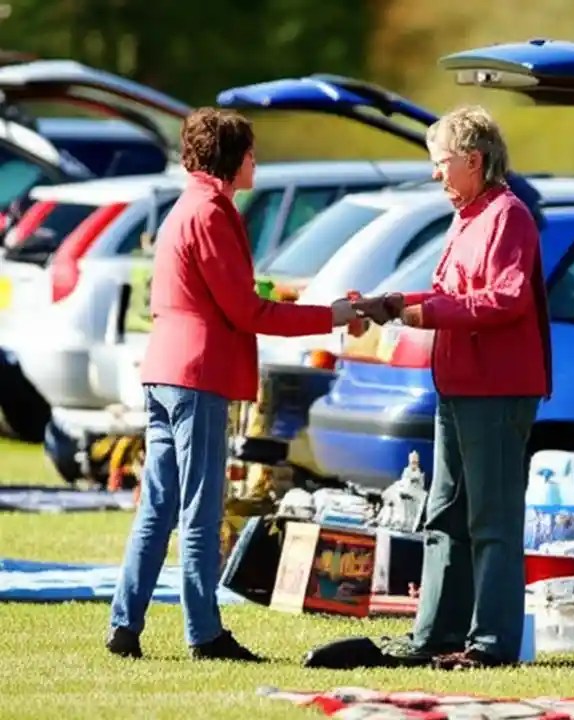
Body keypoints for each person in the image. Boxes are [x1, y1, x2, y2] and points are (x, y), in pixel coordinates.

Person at [105, 108, 360, 662]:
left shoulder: (184, 207)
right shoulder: (214, 211)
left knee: (159, 507)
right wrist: (333, 315)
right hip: (197, 376)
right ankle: (204, 633)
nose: (256, 161)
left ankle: (125, 625)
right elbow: (246, 311)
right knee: (200, 509)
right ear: (232, 158)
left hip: (164, 370)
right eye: (251, 153)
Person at [354, 105, 552, 670]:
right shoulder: (467, 216)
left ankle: (491, 644)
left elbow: (504, 298)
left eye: (441, 163)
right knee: (444, 513)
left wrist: (421, 314)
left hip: (497, 390)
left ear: (474, 159)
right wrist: (391, 304)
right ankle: (437, 635)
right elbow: (446, 294)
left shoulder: (508, 216)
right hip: (458, 386)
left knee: (491, 519)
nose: (436, 174)